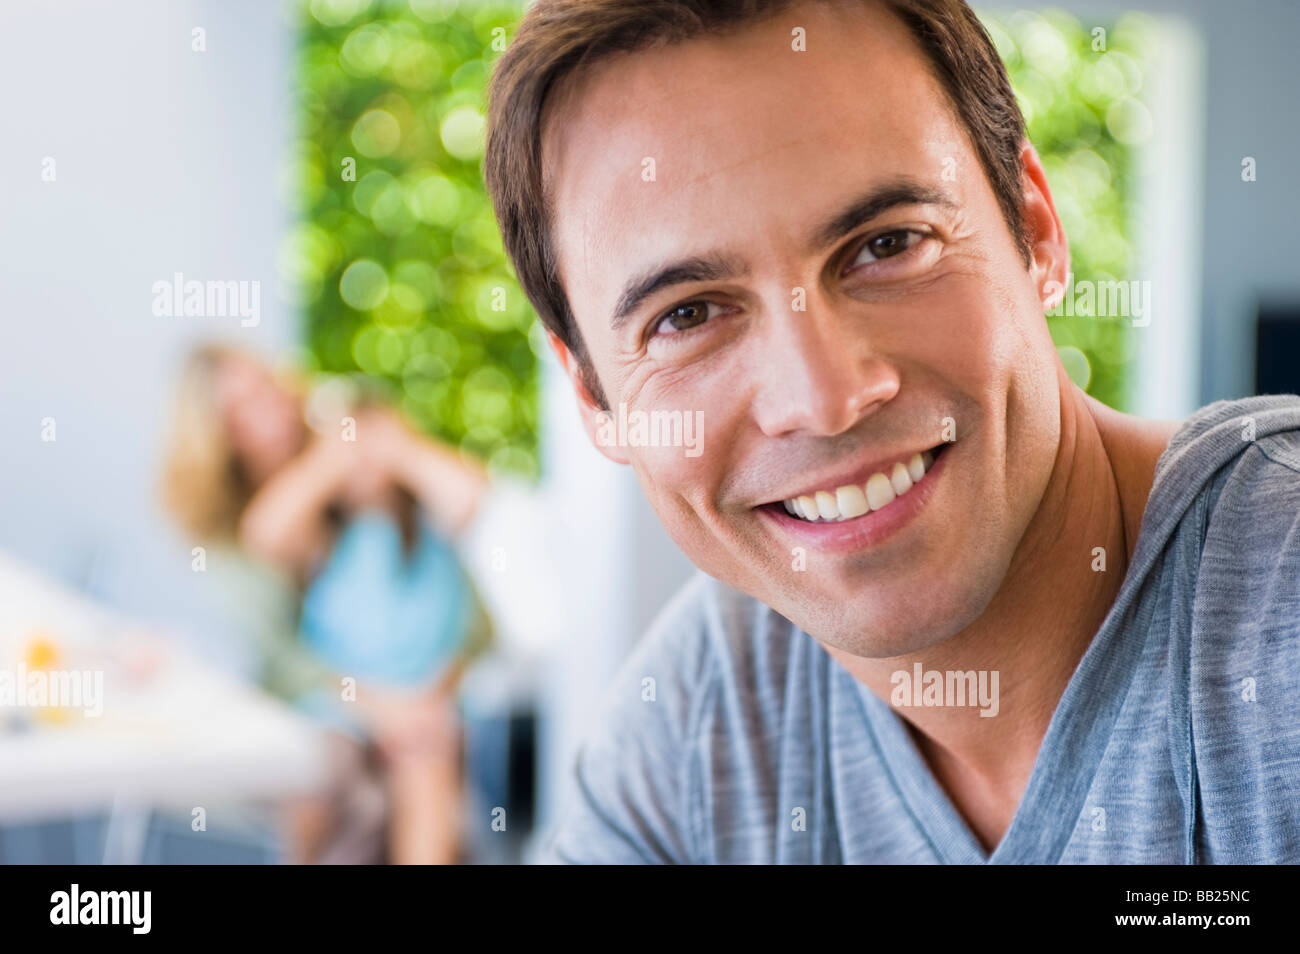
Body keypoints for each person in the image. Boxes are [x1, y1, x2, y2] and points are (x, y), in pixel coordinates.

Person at [483, 0, 1300, 862]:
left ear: (1036, 233)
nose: (826, 398)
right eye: (687, 314)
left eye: (887, 246)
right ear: (593, 395)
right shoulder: (707, 716)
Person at [160, 344, 492, 864]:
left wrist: (399, 448)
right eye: (240, 408)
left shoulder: (415, 532)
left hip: (423, 703)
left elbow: (471, 499)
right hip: (336, 703)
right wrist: (334, 458)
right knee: (336, 783)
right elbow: (266, 538)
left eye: (264, 388)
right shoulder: (316, 536)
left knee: (425, 761)